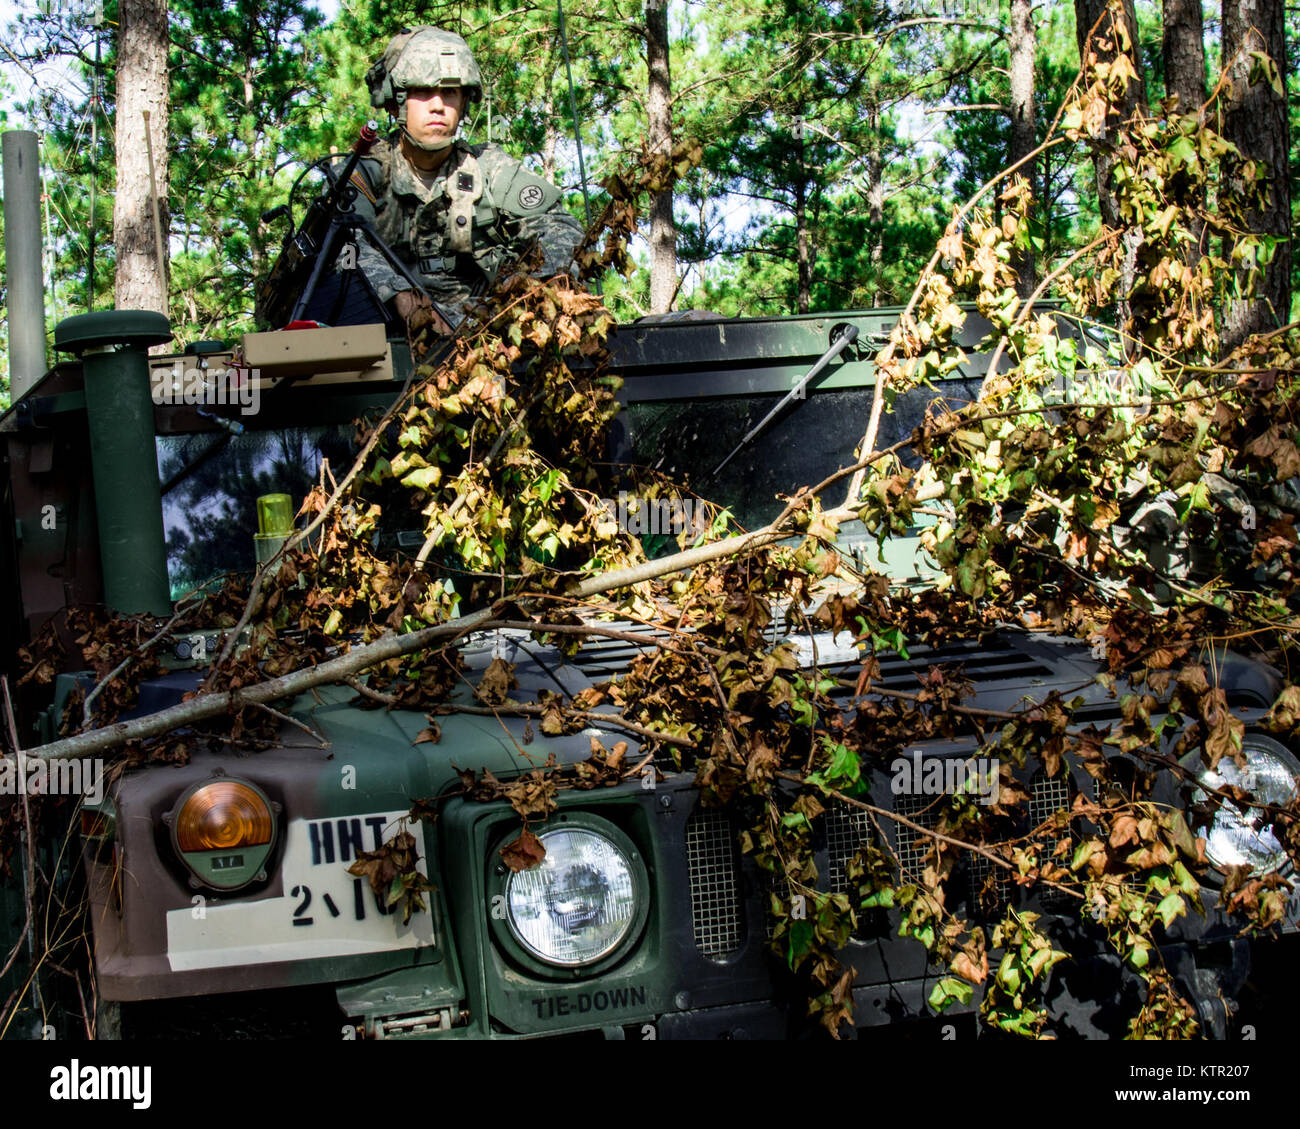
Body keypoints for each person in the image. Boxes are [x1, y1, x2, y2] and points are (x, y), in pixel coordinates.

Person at [350, 26, 586, 332]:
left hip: (486, 331)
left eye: (449, 92)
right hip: (385, 334)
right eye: (423, 91)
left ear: (464, 104)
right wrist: (397, 294)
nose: (438, 105)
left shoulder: (487, 167)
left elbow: (559, 228)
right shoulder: (365, 171)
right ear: (397, 101)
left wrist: (533, 291)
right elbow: (342, 248)